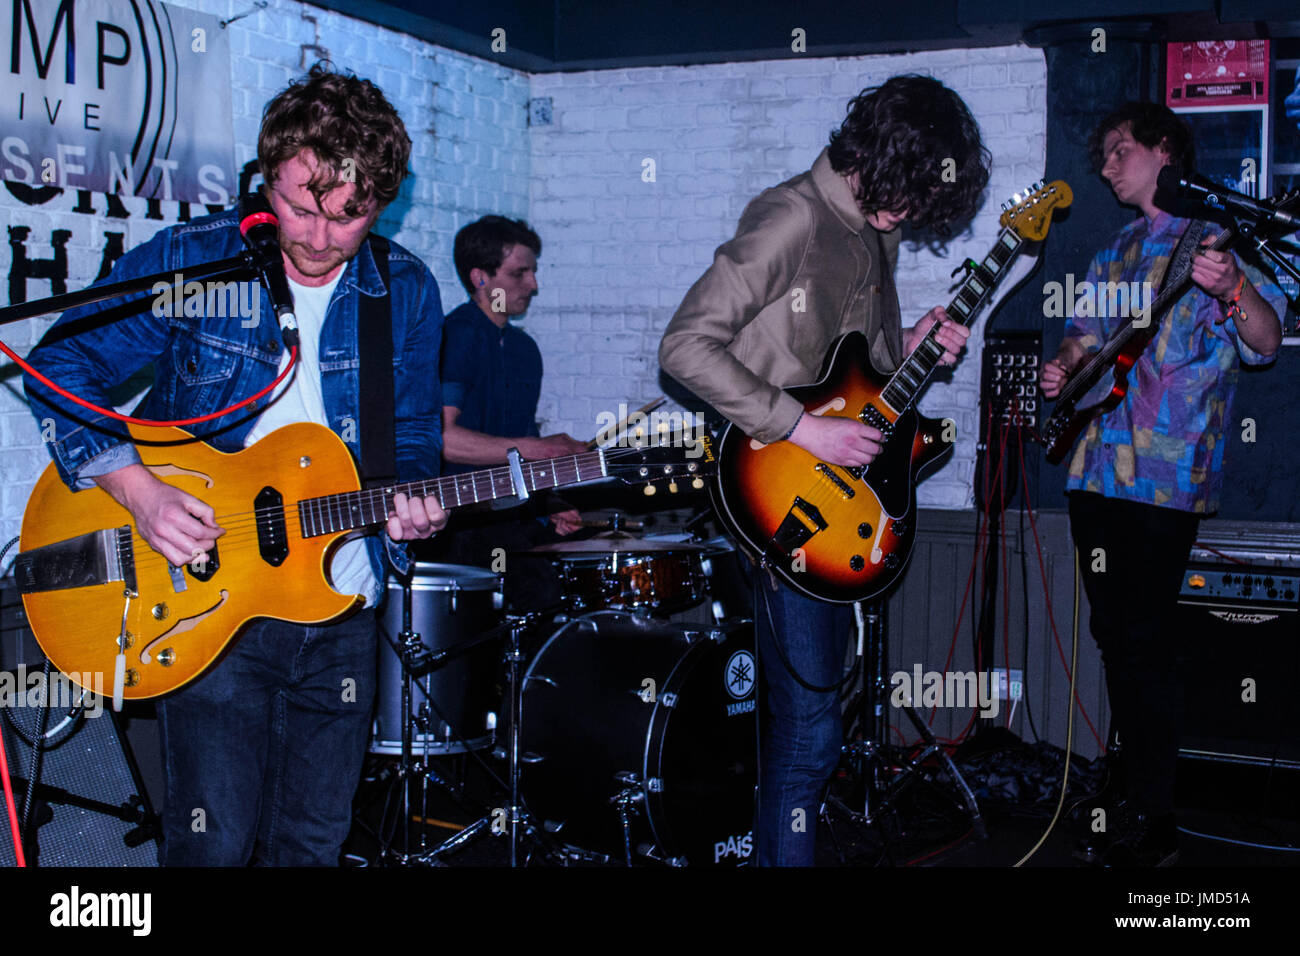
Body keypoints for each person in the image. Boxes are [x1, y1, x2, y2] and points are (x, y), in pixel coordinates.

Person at [24, 65, 448, 866]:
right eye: (299, 209)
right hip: (209, 601)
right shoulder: (197, 264)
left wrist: (416, 500)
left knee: (313, 846)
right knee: (213, 846)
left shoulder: (407, 291)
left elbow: (416, 437)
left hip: (343, 605)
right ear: (267, 180)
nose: (320, 239)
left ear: (381, 202)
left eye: (350, 217)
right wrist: (138, 490)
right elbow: (59, 366)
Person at [659, 74, 989, 866]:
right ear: (883, 163)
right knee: (809, 737)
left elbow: (858, 364)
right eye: (908, 199)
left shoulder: (873, 228)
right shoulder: (792, 219)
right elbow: (684, 347)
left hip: (833, 498)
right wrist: (804, 428)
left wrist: (912, 345)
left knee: (810, 731)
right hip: (777, 497)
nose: (909, 219)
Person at [1039, 102, 1284, 867]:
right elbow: (1086, 343)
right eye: (1103, 155)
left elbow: (1267, 341)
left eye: (1119, 151)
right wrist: (1064, 369)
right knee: (1117, 641)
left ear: (1165, 150)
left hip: (1164, 480)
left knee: (1144, 645)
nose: (1107, 167)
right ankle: (1128, 787)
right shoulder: (1113, 249)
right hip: (1095, 471)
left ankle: (1155, 812)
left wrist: (1233, 286)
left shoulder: (1213, 240)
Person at [431, 216, 584, 609]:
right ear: (480, 278)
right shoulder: (457, 335)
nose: (533, 285)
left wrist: (550, 501)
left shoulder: (524, 350)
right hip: (461, 519)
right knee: (542, 595)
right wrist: (539, 449)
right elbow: (444, 439)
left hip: (510, 513)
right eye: (520, 273)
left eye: (532, 272)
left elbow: (520, 442)